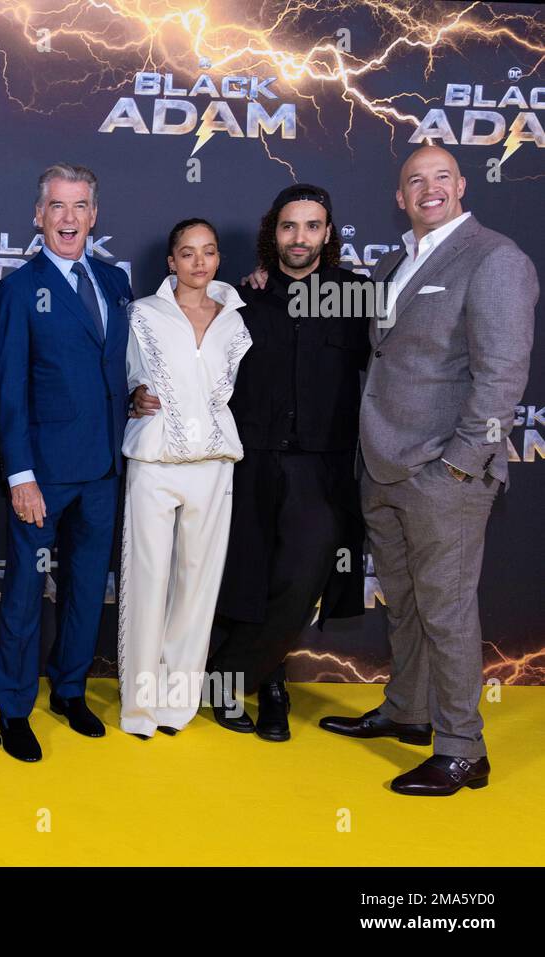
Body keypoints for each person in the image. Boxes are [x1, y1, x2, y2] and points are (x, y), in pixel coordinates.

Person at [319, 145, 537, 795]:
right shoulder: (395, 262)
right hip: (385, 464)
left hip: (445, 474)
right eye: (415, 180)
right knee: (407, 603)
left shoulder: (495, 258)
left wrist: (461, 467)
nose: (429, 188)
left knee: (446, 611)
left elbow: (502, 377)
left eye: (441, 176)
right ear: (400, 197)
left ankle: (464, 749)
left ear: (462, 185)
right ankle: (409, 710)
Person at [139, 185, 371, 741]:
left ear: (328, 233)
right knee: (247, 582)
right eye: (289, 226)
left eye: (312, 226)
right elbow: (188, 358)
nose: (300, 237)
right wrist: (138, 393)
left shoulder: (358, 296)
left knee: (302, 578)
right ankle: (270, 687)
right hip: (249, 463)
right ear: (274, 233)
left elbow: (398, 366)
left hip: (320, 466)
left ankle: (225, 680)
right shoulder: (243, 297)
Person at [0, 163, 132, 762]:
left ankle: (70, 690)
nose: (68, 218)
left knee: (86, 587)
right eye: (56, 206)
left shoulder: (116, 282)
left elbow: (119, 363)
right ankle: (14, 707)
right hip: (43, 474)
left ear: (94, 216)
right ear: (38, 216)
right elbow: (10, 389)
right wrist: (20, 475)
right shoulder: (19, 290)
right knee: (26, 591)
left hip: (104, 468)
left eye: (79, 206)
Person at [117, 219, 251, 738]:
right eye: (188, 253)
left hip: (213, 462)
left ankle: (177, 704)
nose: (199, 262)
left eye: (209, 252)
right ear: (171, 261)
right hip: (154, 459)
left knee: (198, 586)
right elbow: (127, 375)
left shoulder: (236, 319)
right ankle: (140, 708)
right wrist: (133, 395)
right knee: (147, 581)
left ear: (218, 258)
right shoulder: (143, 314)